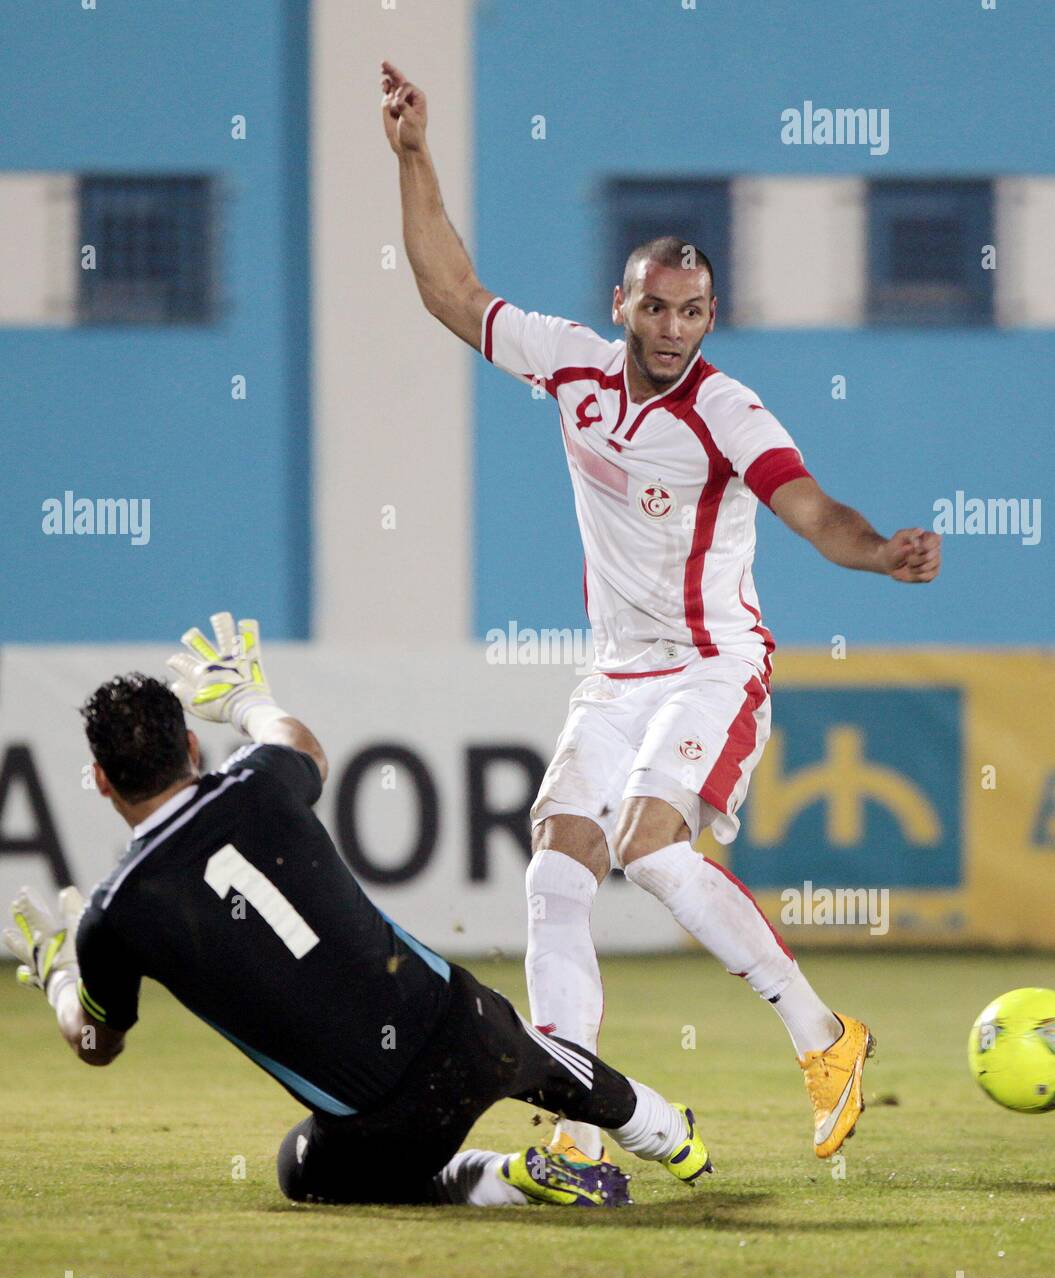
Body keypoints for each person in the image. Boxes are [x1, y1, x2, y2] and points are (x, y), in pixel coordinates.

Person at [382, 59, 942, 1164]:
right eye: (657, 307)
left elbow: (808, 506)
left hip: (712, 664)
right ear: (622, 304)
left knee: (650, 849)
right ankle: (578, 1124)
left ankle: (822, 1035)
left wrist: (877, 555)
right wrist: (411, 154)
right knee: (553, 865)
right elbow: (451, 291)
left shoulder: (726, 408)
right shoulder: (576, 370)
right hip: (615, 673)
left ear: (709, 313)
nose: (675, 327)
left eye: (693, 311)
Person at [5, 613, 714, 1208]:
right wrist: (247, 699)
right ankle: (664, 1131)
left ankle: (505, 1178)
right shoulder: (258, 782)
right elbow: (302, 747)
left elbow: (96, 1045)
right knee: (523, 1046)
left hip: (382, 1127)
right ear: (191, 743)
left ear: (100, 780)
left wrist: (61, 973)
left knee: (301, 1171)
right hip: (468, 1037)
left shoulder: (115, 914)